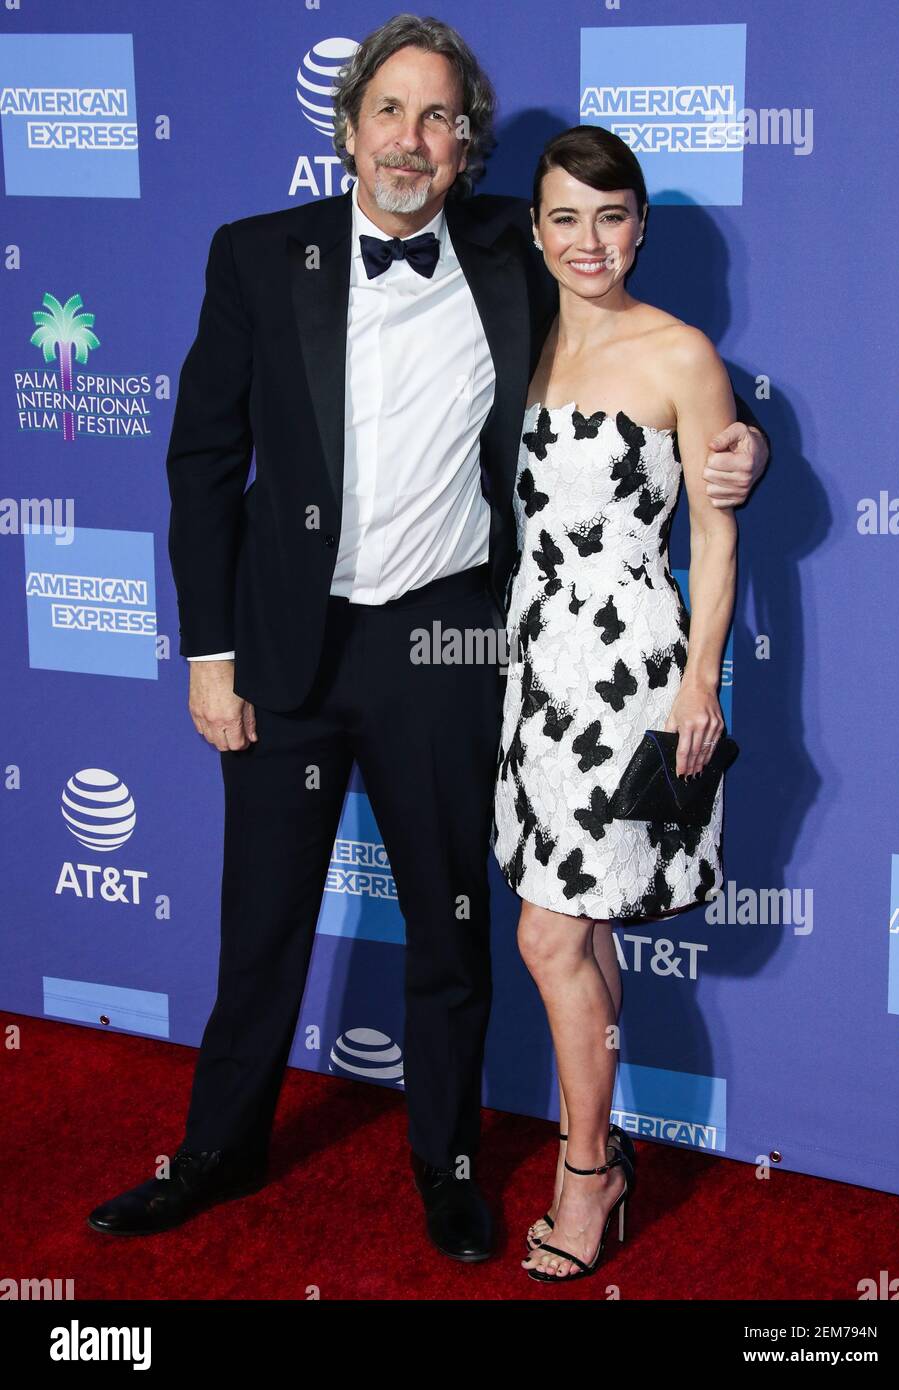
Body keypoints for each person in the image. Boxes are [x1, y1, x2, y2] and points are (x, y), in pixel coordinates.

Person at [87, 17, 768, 1263]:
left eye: (441, 118)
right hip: (287, 650)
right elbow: (200, 465)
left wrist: (741, 452)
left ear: (466, 150)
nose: (413, 140)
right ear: (348, 129)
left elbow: (647, 352)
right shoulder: (253, 255)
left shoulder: (519, 245)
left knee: (453, 933)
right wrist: (210, 651)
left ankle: (448, 1170)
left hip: (448, 647)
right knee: (260, 925)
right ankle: (214, 1154)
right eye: (390, 113)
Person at [493, 124, 742, 1282]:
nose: (587, 240)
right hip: (535, 671)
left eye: (609, 215)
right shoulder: (524, 341)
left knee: (551, 933)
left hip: (630, 670)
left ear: (638, 227)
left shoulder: (680, 352)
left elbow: (714, 525)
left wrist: (699, 679)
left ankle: (586, 1172)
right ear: (534, 229)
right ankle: (600, 1151)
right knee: (570, 932)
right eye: (563, 216)